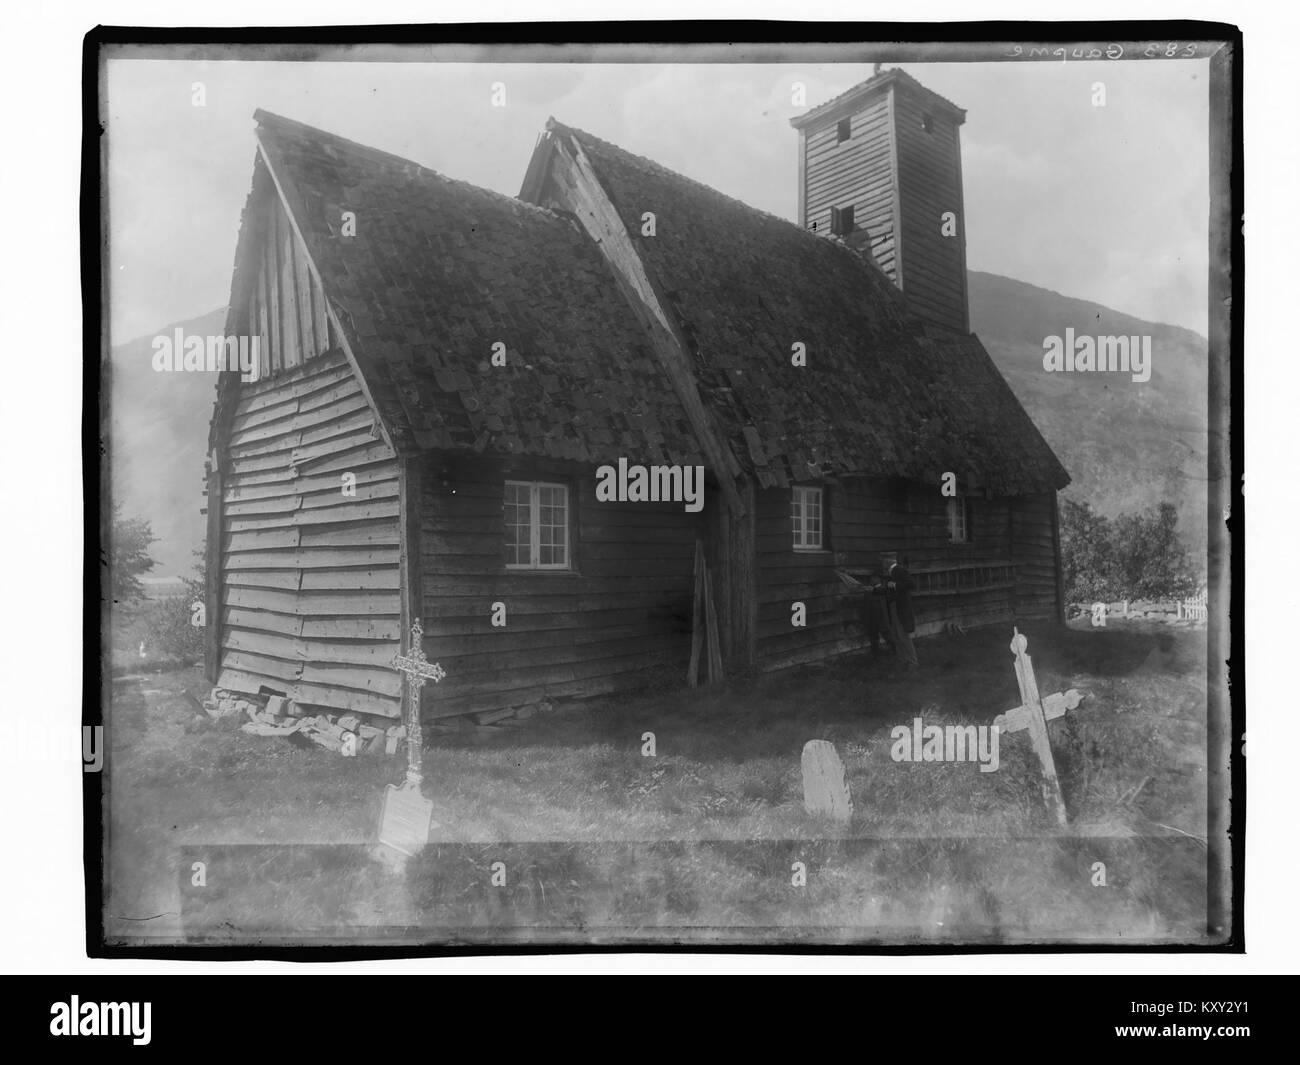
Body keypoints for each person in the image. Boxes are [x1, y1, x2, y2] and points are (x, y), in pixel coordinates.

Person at [882, 551, 918, 670]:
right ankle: (903, 661)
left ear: (888, 561)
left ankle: (912, 663)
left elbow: (912, 584)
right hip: (894, 606)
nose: (882, 563)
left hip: (901, 607)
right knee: (896, 635)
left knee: (903, 635)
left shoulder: (899, 570)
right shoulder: (891, 572)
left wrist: (896, 585)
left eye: (883, 560)